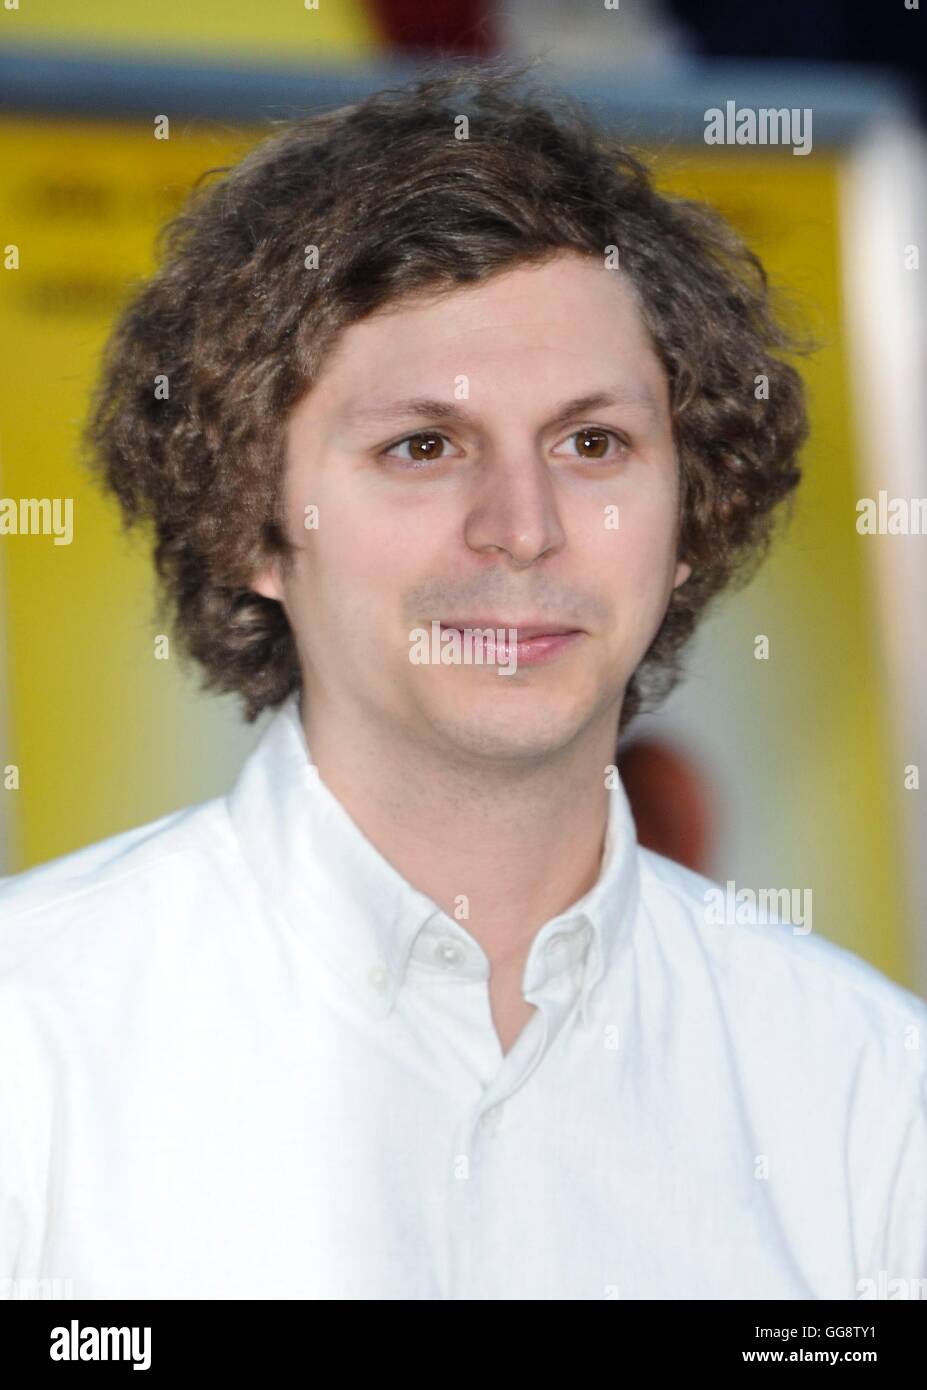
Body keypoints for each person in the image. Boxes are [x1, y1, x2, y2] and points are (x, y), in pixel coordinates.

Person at [1, 64, 925, 1301]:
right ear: (250, 522)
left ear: (690, 514)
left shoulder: (868, 1087)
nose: (522, 526)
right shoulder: (35, 1040)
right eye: (423, 446)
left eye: (592, 442)